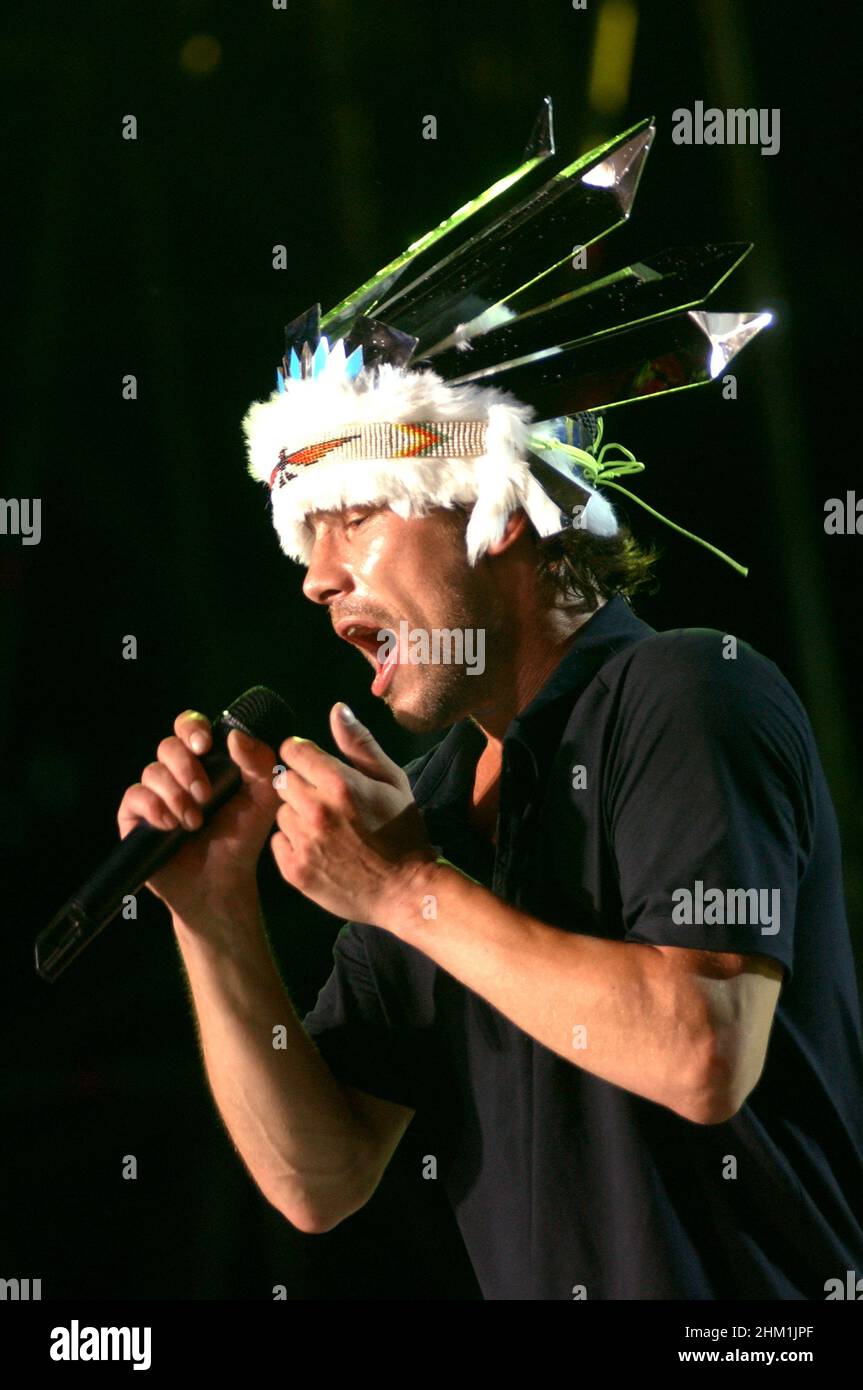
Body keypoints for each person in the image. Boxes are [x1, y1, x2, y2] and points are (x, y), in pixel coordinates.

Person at [116, 110, 862, 1297]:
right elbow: (319, 1175)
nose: (316, 578)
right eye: (304, 539)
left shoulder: (682, 691)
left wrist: (405, 891)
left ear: (497, 508)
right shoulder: (428, 814)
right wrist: (214, 918)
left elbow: (701, 1050)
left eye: (354, 516)